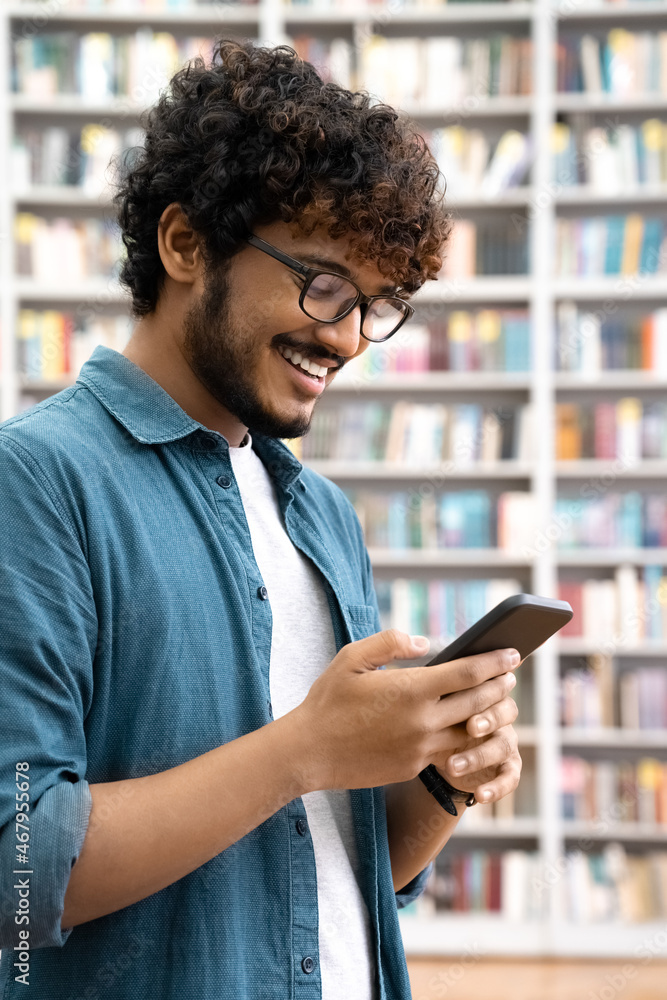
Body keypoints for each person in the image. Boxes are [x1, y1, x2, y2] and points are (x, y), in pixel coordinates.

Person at [0, 38, 522, 999]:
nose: (346, 337)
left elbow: (338, 875)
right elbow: (18, 879)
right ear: (186, 244)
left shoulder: (320, 517)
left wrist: (437, 782)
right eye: (324, 284)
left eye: (374, 306)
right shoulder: (34, 482)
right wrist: (304, 750)